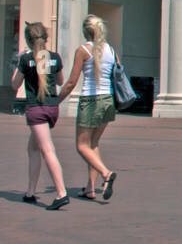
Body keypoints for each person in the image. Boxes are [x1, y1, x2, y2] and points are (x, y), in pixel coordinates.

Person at [57, 13, 121, 201]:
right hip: (108, 100)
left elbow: (71, 83)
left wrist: (56, 101)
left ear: (85, 31)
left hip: (91, 101)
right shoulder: (111, 50)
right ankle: (90, 188)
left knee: (81, 145)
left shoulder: (83, 50)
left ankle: (106, 173)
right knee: (93, 144)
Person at [10, 21, 69, 209]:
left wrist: (20, 64)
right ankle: (30, 192)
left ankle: (61, 193)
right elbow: (60, 80)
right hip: (52, 107)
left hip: (37, 109)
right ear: (46, 38)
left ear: (28, 40)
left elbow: (14, 84)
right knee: (33, 149)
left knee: (47, 150)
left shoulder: (26, 59)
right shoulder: (54, 57)